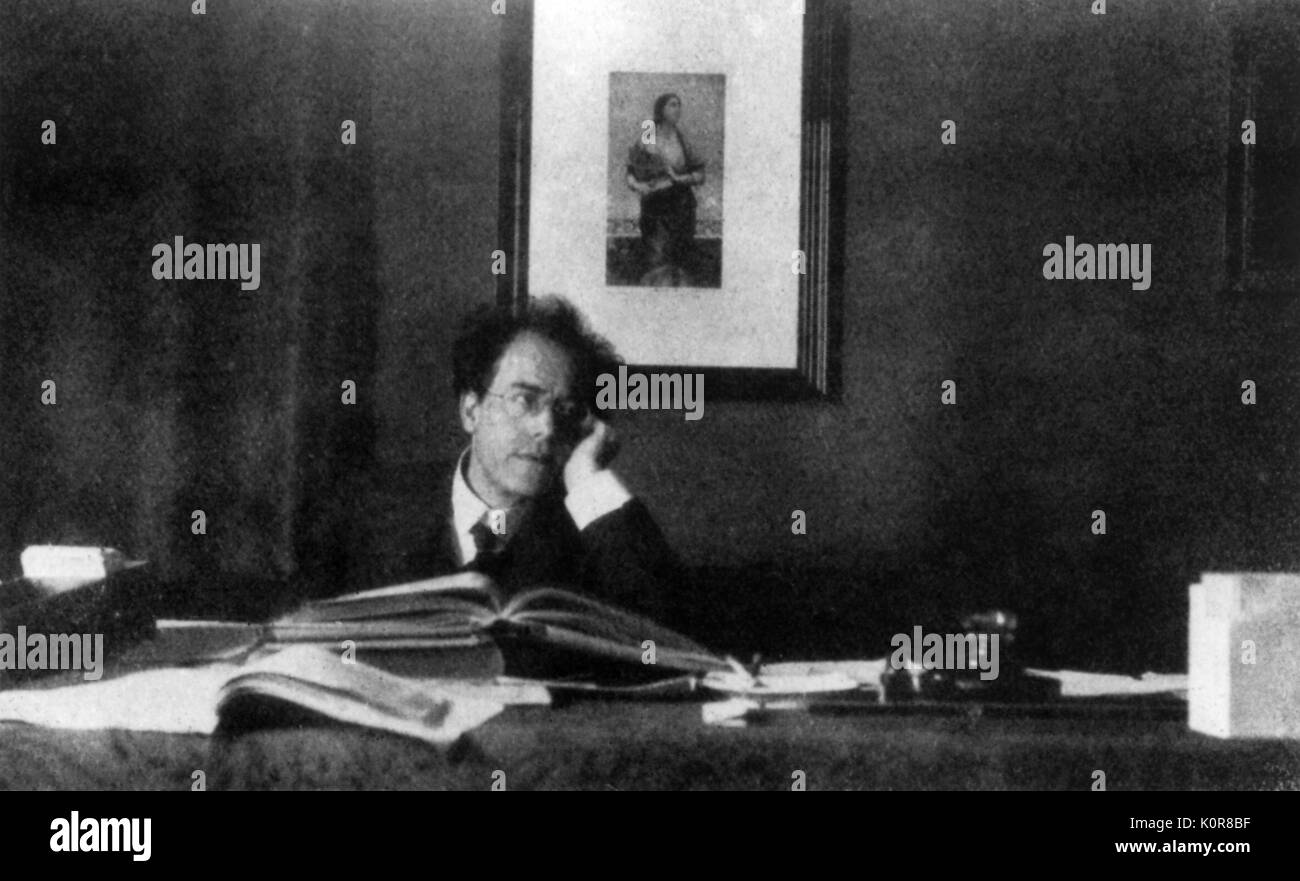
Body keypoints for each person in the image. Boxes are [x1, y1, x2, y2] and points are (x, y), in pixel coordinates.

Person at [344, 297, 683, 624]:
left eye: (566, 411)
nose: (547, 428)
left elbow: (671, 635)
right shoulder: (370, 515)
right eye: (524, 400)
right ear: (471, 410)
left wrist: (587, 477)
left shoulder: (595, 534)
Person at [626, 93, 706, 287]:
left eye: (679, 105)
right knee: (656, 257)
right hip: (655, 207)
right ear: (661, 109)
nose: (677, 109)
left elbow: (700, 174)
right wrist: (638, 186)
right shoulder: (649, 131)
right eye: (672, 105)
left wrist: (680, 178)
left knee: (679, 261)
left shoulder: (682, 139)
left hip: (681, 205)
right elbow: (631, 171)